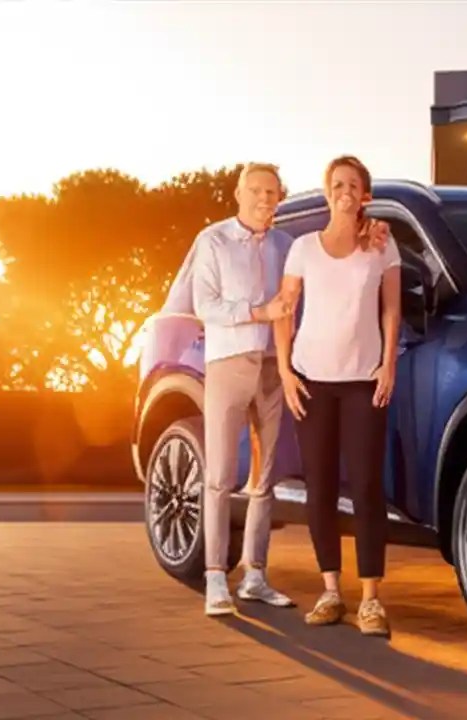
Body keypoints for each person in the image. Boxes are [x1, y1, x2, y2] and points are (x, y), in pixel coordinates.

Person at [272, 154, 401, 636]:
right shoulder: (303, 248)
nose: (345, 190)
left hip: (364, 380)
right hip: (312, 381)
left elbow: (391, 310)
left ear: (364, 195)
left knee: (367, 486)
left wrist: (389, 363)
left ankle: (371, 599)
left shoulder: (382, 245)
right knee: (320, 488)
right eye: (337, 183)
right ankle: (331, 591)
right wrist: (285, 371)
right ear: (328, 192)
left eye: (354, 184)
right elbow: (285, 310)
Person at [189, 162, 297, 617]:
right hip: (228, 363)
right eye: (256, 190)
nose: (264, 199)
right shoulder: (212, 240)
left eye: (272, 192)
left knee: (265, 477)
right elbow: (204, 305)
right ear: (238, 192)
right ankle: (216, 576)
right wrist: (259, 312)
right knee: (218, 476)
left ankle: (255, 574)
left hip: (273, 367)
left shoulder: (287, 246)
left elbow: (292, 306)